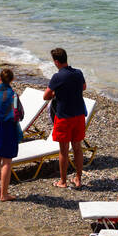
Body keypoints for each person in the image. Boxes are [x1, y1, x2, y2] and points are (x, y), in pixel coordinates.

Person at [43, 47, 87, 189]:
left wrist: (56, 93)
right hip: (79, 114)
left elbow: (46, 96)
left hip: (64, 116)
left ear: (56, 62)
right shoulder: (78, 73)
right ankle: (78, 179)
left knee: (63, 150)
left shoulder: (57, 77)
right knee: (77, 148)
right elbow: (84, 87)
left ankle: (63, 181)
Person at [0, 67, 24, 200]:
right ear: (12, 79)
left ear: (0, 78)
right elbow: (19, 115)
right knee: (6, 162)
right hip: (8, 129)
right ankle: (4, 194)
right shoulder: (13, 95)